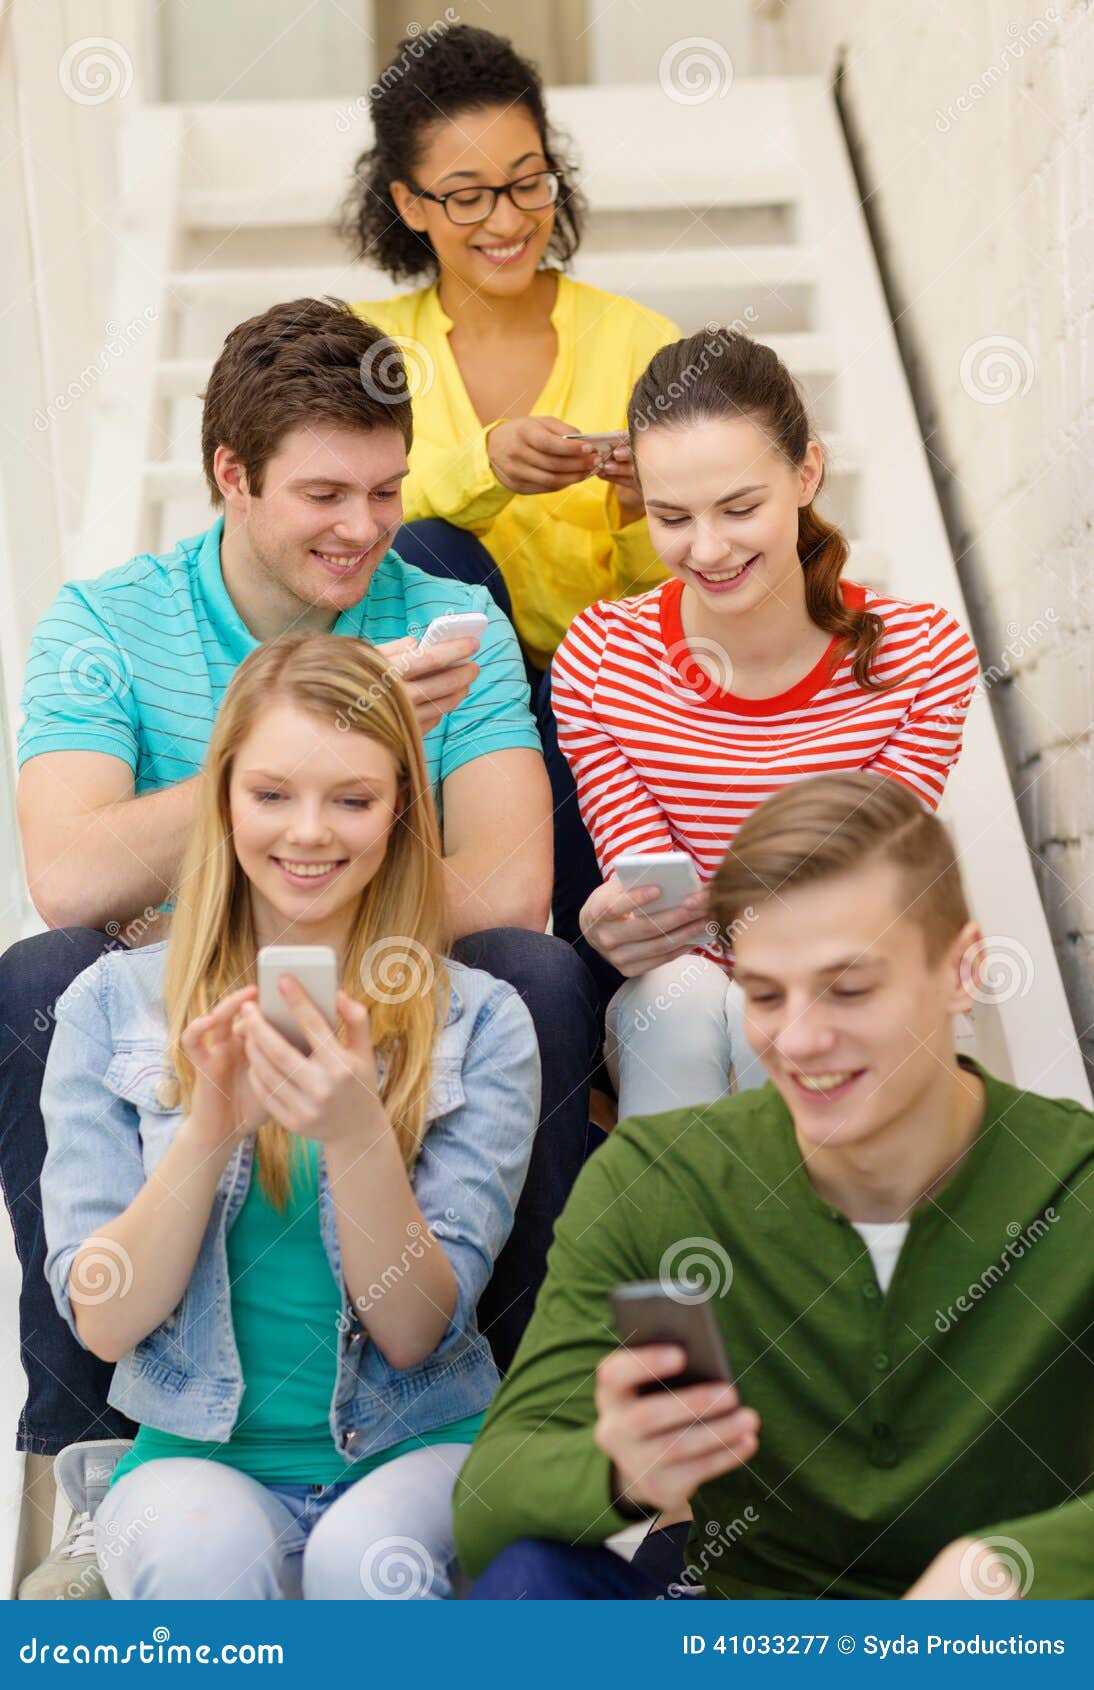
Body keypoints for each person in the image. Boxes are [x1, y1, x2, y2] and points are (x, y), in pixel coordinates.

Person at [4, 297, 597, 1595]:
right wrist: (295, 738)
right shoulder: (108, 622)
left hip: (399, 991)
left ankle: (515, 1411)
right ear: (231, 474)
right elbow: (71, 877)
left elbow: (507, 886)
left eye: (386, 491)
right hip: (175, 1006)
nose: (363, 529)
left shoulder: (451, 619)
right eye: (324, 494)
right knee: (44, 981)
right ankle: (85, 1444)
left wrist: (299, 905)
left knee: (539, 976)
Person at [453, 773, 1094, 1600]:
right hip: (750, 1637)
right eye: (763, 994)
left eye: (849, 988)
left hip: (1006, 1643)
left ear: (963, 970)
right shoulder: (660, 1177)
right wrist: (617, 1469)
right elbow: (486, 1501)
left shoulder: (1073, 1183)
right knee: (530, 1581)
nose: (798, 1040)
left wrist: (1001, 1570)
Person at [38, 634, 539, 1600]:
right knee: (204, 1551)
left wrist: (355, 1134)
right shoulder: (109, 1005)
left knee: (367, 1562)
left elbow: (414, 1333)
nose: (309, 833)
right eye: (272, 794)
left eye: (352, 800)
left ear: (401, 810)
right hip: (193, 1458)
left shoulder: (481, 1020)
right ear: (223, 798)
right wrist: (208, 1132)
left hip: (420, 1445)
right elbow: (103, 1320)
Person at [551, 329, 980, 1118]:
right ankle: (679, 1204)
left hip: (843, 978)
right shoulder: (601, 659)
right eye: (672, 516)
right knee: (680, 994)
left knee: (787, 1004)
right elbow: (658, 899)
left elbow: (856, 895)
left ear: (807, 473)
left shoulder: (921, 657)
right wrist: (614, 926)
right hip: (679, 1002)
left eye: (740, 508)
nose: (707, 549)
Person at [344, 21, 678, 678]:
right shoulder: (362, 349)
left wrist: (647, 510)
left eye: (528, 183)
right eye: (469, 197)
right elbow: (339, 520)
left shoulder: (643, 344)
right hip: (434, 698)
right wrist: (484, 464)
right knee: (428, 547)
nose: (508, 221)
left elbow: (686, 598)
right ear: (411, 204)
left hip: (607, 690)